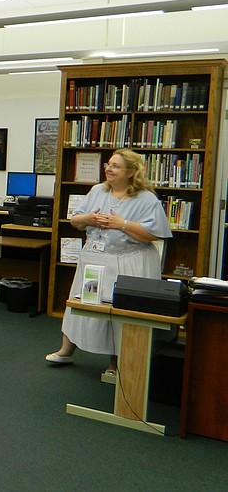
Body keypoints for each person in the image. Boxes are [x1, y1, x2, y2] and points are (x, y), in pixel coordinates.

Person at [45, 148, 172, 374]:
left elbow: (153, 234)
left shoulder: (146, 198)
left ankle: (115, 363)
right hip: (95, 259)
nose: (108, 169)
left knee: (118, 313)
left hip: (128, 260)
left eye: (115, 166)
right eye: (108, 164)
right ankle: (66, 350)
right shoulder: (98, 190)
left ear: (131, 172)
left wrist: (121, 224)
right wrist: (89, 218)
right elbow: (75, 220)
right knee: (81, 302)